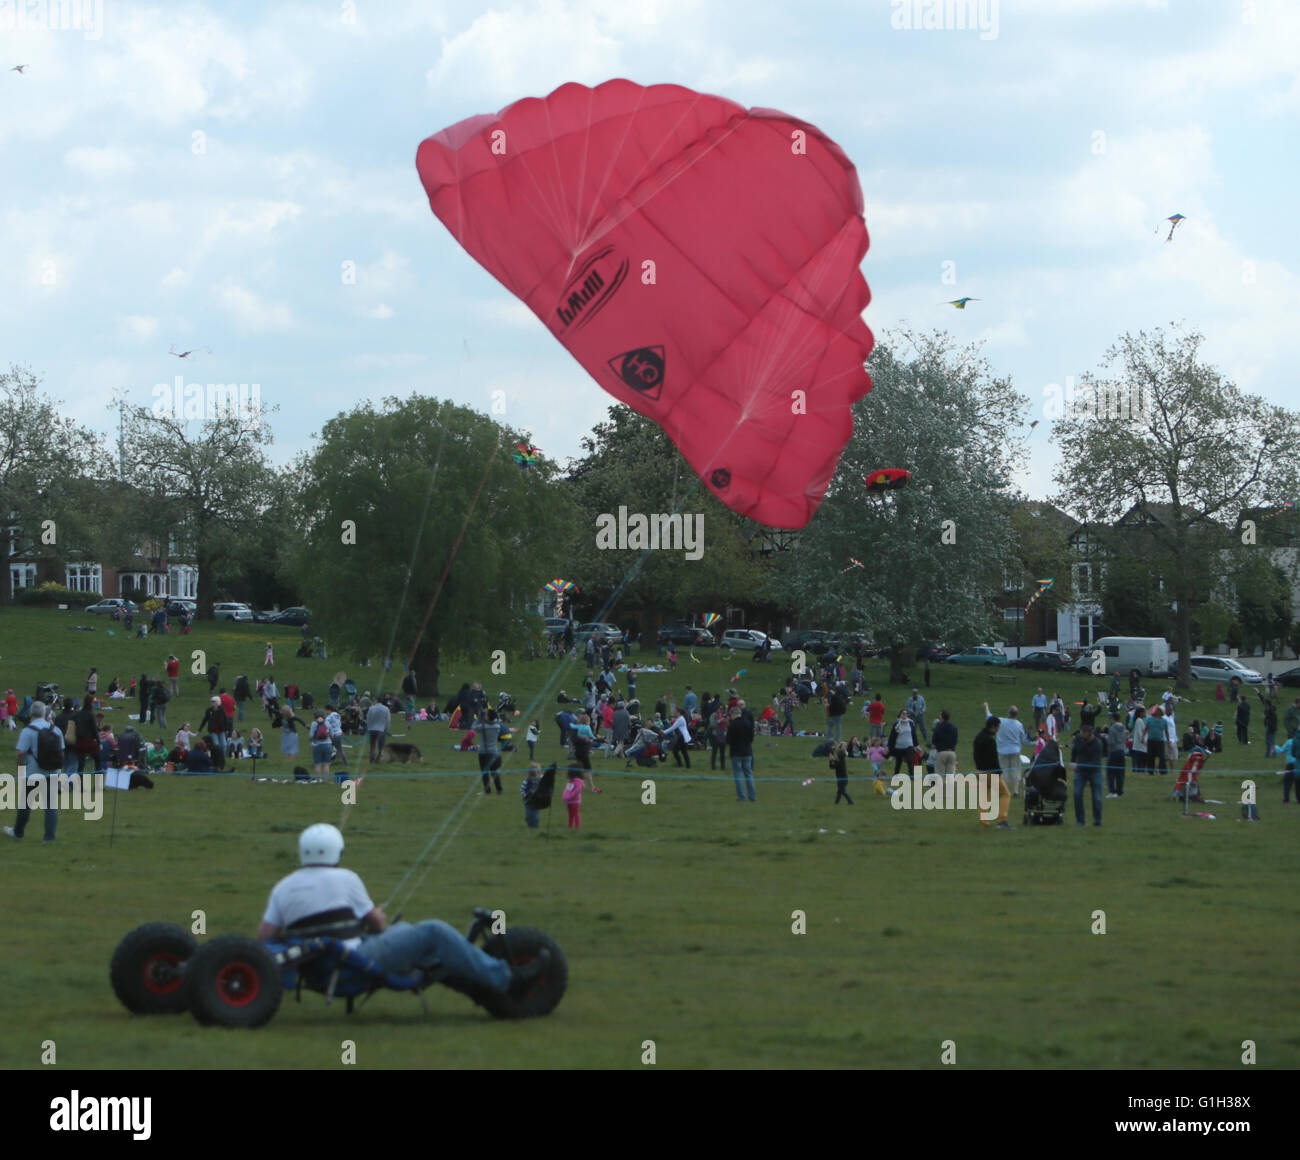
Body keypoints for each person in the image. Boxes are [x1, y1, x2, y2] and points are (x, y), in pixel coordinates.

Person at [257, 824, 544, 996]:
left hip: (320, 968)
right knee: (434, 931)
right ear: (336, 852)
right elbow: (378, 927)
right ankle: (508, 980)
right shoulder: (345, 878)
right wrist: (376, 916)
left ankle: (477, 984)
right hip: (353, 962)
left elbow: (264, 939)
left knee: (407, 932)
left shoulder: (284, 886)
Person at [4, 701, 64, 842]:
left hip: (34, 773)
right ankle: (49, 838)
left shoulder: (28, 730)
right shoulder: (56, 729)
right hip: (53, 772)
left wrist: (20, 769)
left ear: (31, 713)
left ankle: (18, 832)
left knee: (26, 804)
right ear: (44, 713)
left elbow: (20, 753)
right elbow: (61, 751)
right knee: (51, 806)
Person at [973, 714, 1011, 830]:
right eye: (998, 728)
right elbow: (993, 759)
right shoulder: (990, 741)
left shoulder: (978, 737)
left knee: (984, 797)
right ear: (993, 727)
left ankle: (984, 822)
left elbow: (975, 756)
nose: (998, 730)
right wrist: (999, 772)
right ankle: (1002, 820)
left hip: (979, 772)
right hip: (991, 773)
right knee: (1005, 794)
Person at [987, 703, 1028, 796]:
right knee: (1016, 770)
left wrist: (987, 707)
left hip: (1002, 751)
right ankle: (1016, 791)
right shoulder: (1019, 724)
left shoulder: (1000, 721)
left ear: (1008, 712)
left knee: (1003, 770)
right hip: (1015, 750)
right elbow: (1023, 738)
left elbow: (989, 717)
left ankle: (1004, 790)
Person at [1070, 722, 1104, 827]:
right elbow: (1074, 751)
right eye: (1081, 733)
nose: (1081, 736)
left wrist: (1078, 766)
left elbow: (1095, 763)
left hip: (1094, 772)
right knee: (1077, 794)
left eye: (1084, 734)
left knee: (1097, 797)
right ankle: (1080, 821)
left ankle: (1097, 821)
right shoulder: (1078, 739)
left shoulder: (1097, 744)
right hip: (1080, 772)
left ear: (1090, 734)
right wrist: (1073, 761)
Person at [727, 706, 756, 802]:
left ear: (733, 714)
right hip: (747, 752)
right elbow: (752, 737)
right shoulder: (748, 723)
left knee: (738, 775)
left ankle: (742, 797)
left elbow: (728, 740)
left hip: (736, 753)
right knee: (748, 774)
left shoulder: (732, 725)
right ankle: (752, 796)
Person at [478, 708, 504, 794]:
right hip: (494, 753)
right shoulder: (497, 726)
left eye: (486, 714)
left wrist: (479, 717)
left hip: (486, 753)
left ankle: (487, 790)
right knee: (493, 772)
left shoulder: (484, 726)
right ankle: (499, 789)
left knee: (485, 772)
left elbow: (473, 727)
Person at [886, 709, 917, 779]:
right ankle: (896, 776)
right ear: (900, 715)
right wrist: (889, 746)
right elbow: (892, 736)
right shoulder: (897, 724)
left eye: (906, 714)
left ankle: (912, 777)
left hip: (909, 745)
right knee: (898, 762)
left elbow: (914, 735)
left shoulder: (911, 723)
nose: (904, 715)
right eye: (903, 713)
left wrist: (916, 745)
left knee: (910, 760)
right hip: (899, 746)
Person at [1105, 712, 1128, 798]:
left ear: (1113, 719)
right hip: (1122, 751)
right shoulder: (1123, 728)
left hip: (1114, 751)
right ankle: (1119, 791)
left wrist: (1106, 738)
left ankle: (1112, 791)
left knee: (1111, 772)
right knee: (1120, 773)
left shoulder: (1112, 728)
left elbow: (1111, 742)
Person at [931, 708, 958, 776]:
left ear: (941, 716)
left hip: (941, 753)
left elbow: (934, 743)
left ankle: (941, 786)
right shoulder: (954, 727)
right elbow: (955, 742)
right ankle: (950, 786)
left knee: (940, 776)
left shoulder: (938, 727)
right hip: (951, 753)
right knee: (950, 776)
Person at [366, 697, 391, 762]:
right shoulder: (386, 709)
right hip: (381, 730)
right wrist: (386, 729)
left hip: (372, 729)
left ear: (376, 701)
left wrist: (369, 728)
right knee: (381, 746)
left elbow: (368, 719)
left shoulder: (371, 708)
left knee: (372, 746)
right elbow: (388, 720)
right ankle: (379, 760)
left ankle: (371, 759)